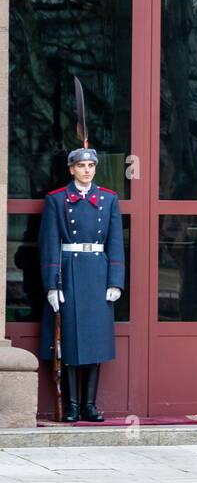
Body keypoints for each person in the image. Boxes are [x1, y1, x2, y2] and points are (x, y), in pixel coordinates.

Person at [39, 146, 125, 423]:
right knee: (70, 342)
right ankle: (72, 405)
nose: (87, 170)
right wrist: (52, 285)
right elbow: (49, 244)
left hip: (98, 272)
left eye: (91, 166)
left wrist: (115, 282)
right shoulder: (57, 199)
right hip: (70, 271)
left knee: (96, 343)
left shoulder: (109, 199)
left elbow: (115, 244)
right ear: (71, 169)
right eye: (82, 166)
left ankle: (90, 405)